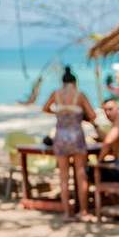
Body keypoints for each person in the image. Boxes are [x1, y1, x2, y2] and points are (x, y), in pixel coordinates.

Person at [42, 65, 99, 219]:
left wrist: (59, 112)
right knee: (81, 174)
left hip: (60, 137)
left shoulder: (56, 94)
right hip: (76, 137)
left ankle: (67, 213)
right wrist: (80, 115)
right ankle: (84, 211)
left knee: (63, 176)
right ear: (74, 82)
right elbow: (93, 115)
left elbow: (45, 108)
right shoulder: (79, 95)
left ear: (63, 82)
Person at [90, 98, 119, 182]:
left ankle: (103, 194)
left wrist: (98, 162)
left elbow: (108, 142)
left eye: (110, 109)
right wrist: (94, 125)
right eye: (105, 110)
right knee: (94, 170)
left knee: (89, 170)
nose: (108, 113)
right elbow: (106, 137)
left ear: (118, 108)